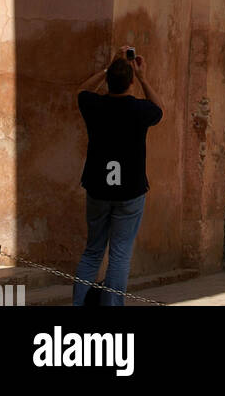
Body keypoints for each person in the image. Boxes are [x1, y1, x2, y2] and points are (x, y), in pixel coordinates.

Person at [72, 47, 164, 306]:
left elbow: (81, 90)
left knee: (92, 251)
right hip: (130, 191)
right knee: (120, 255)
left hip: (98, 188)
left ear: (109, 81)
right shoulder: (139, 109)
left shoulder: (95, 105)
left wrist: (108, 67)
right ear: (131, 82)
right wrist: (143, 77)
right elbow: (160, 108)